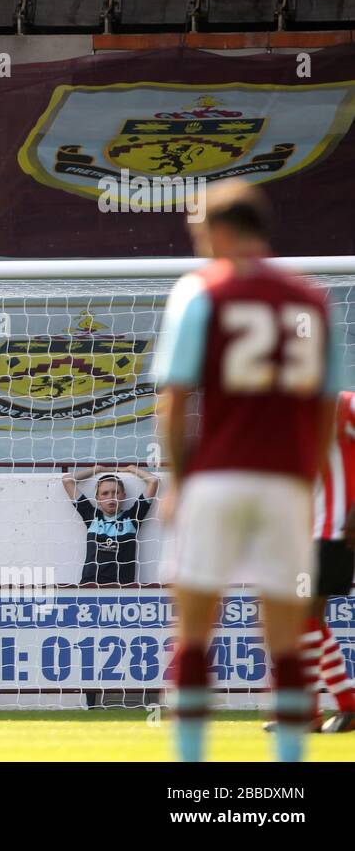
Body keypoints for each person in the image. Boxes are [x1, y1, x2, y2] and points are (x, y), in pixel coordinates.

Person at [155, 180, 342, 763]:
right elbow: (323, 406)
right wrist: (306, 478)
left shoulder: (201, 292)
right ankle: (286, 776)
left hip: (216, 478)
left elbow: (174, 398)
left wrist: (179, 480)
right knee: (286, 640)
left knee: (193, 633)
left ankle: (192, 775)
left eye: (200, 233)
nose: (198, 245)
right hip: (285, 485)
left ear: (223, 230)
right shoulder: (311, 300)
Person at [265, 389, 355, 734]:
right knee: (306, 619)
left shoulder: (343, 404)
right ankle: (333, 708)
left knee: (302, 616)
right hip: (304, 533)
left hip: (333, 531)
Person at [61, 465, 158, 585]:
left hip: (122, 589)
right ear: (97, 498)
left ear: (123, 496)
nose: (111, 498)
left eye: (116, 493)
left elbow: (153, 481)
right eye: (105, 493)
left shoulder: (132, 517)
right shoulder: (92, 517)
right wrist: (97, 469)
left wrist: (131, 468)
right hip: (90, 587)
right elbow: (67, 481)